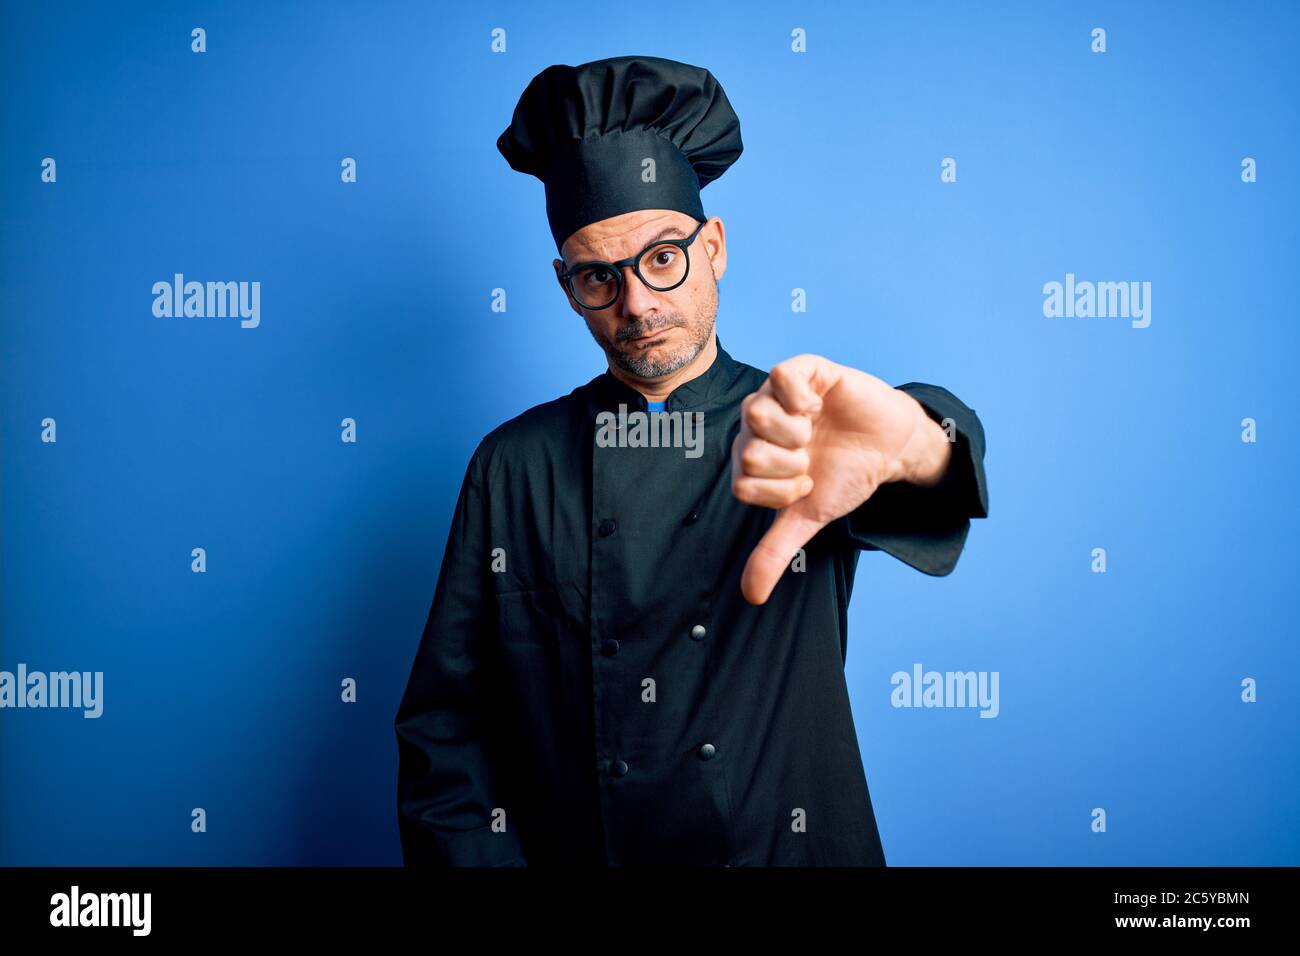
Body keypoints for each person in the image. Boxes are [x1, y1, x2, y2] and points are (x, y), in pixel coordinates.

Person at [394, 55, 989, 866]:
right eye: (599, 277)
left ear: (713, 247)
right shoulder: (513, 466)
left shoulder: (798, 429)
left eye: (662, 257)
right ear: (567, 287)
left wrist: (921, 443)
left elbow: (929, 467)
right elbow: (447, 733)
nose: (636, 303)